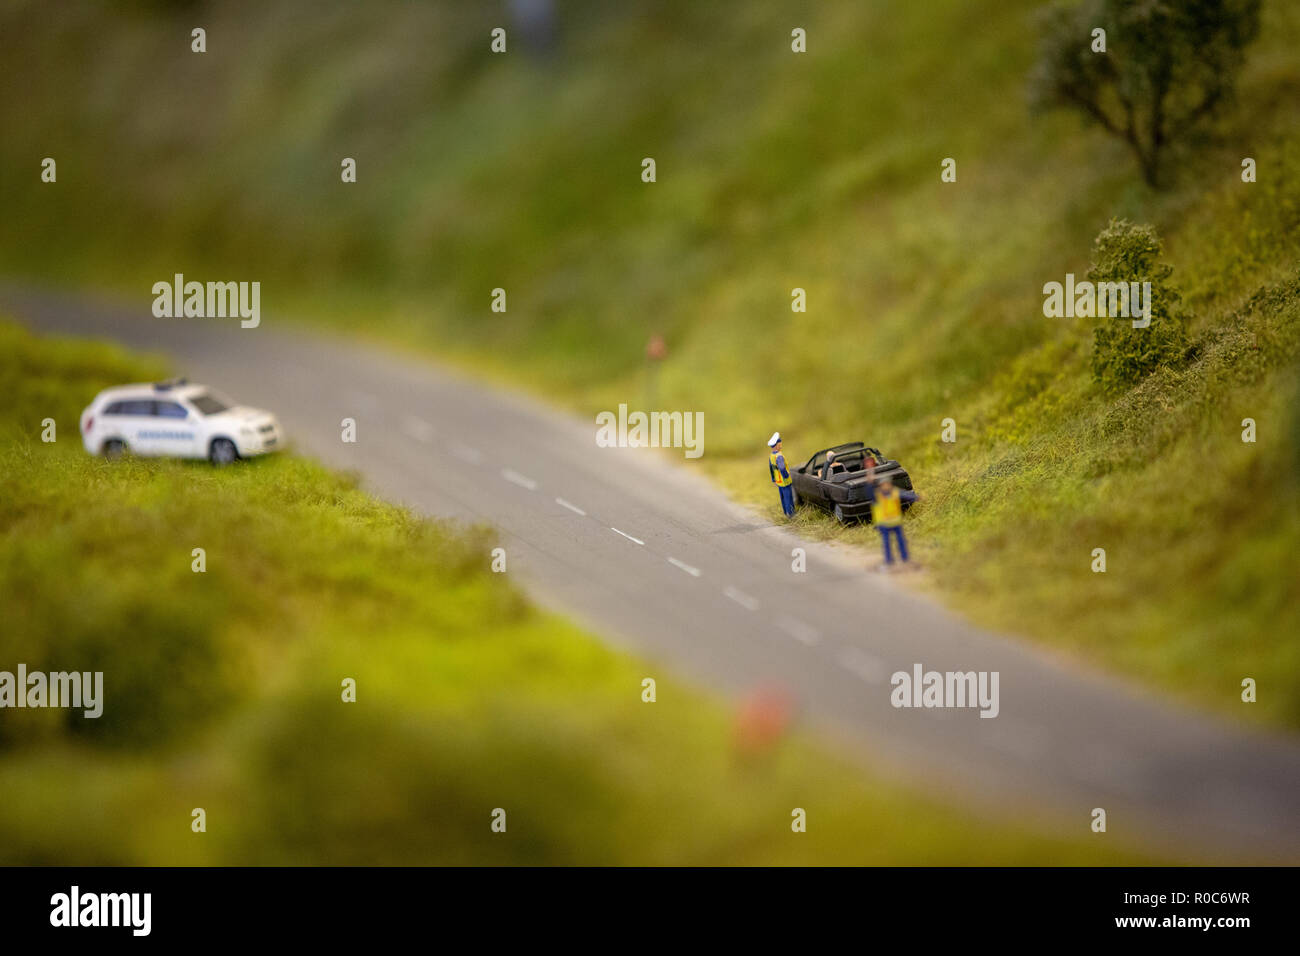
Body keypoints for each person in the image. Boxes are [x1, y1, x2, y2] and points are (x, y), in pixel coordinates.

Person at [867, 468, 919, 567]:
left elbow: (906, 495)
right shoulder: (877, 496)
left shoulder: (895, 492)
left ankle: (905, 559)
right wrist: (869, 483)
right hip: (884, 524)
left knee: (901, 541)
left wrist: (916, 497)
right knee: (886, 543)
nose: (887, 486)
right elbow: (869, 494)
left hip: (896, 523)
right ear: (880, 486)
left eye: (888, 484)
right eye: (884, 484)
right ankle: (888, 561)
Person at [768, 432, 795, 517]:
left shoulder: (771, 456)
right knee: (788, 497)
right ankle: (790, 514)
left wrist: (773, 479)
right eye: (780, 444)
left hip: (778, 480)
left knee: (782, 497)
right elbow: (782, 468)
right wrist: (786, 476)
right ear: (777, 445)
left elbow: (771, 468)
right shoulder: (779, 456)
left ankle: (785, 512)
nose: (781, 445)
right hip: (784, 480)